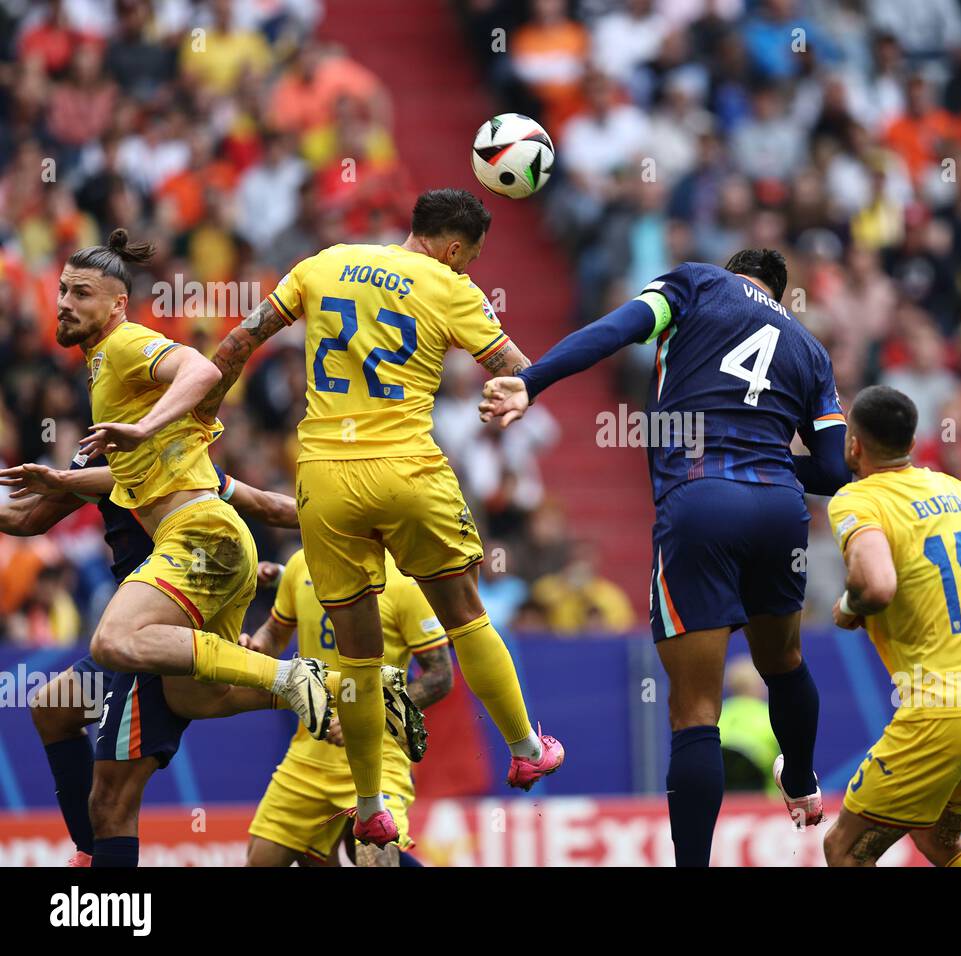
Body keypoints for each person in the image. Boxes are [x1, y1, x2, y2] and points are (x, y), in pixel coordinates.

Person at [199, 188, 564, 848]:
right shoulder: (451, 288)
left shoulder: (321, 264)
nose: (469, 270)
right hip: (408, 471)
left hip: (324, 478)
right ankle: (526, 744)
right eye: (470, 259)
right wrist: (513, 397)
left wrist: (206, 412)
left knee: (359, 658)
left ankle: (369, 803)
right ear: (453, 248)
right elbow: (518, 372)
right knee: (466, 614)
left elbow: (241, 338)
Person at [480, 248, 849, 866]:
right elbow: (836, 470)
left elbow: (617, 329)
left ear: (734, 272)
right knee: (783, 661)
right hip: (781, 510)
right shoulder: (809, 349)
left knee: (695, 711)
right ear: (780, 296)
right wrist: (765, 462)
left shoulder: (699, 285)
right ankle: (806, 781)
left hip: (701, 498)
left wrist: (533, 379)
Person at [43, 229, 331, 867]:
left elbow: (200, 368)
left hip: (197, 544)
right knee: (181, 694)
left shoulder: (125, 346)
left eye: (80, 293)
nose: (63, 302)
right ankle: (336, 689)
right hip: (211, 548)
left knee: (112, 646)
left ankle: (294, 680)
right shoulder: (125, 394)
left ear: (117, 305)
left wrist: (142, 424)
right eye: (61, 289)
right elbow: (254, 499)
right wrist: (61, 484)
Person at [0, 455, 295, 867]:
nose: (95, 385)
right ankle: (92, 854)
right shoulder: (105, 448)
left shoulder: (155, 445)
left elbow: (266, 504)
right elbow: (27, 516)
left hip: (162, 629)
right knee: (54, 707)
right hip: (133, 632)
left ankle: (302, 684)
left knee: (112, 804)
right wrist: (71, 478)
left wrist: (346, 519)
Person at [821, 385, 961, 867]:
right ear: (912, 440)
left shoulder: (855, 500)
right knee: (937, 842)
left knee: (842, 849)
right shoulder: (958, 490)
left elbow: (878, 585)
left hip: (945, 712)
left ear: (854, 444)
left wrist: (849, 605)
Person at [245, 549, 454, 867]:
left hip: (378, 758)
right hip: (309, 756)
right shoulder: (302, 564)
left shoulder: (403, 583)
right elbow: (274, 632)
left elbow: (440, 676)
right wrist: (257, 648)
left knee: (374, 859)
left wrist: (368, 716)